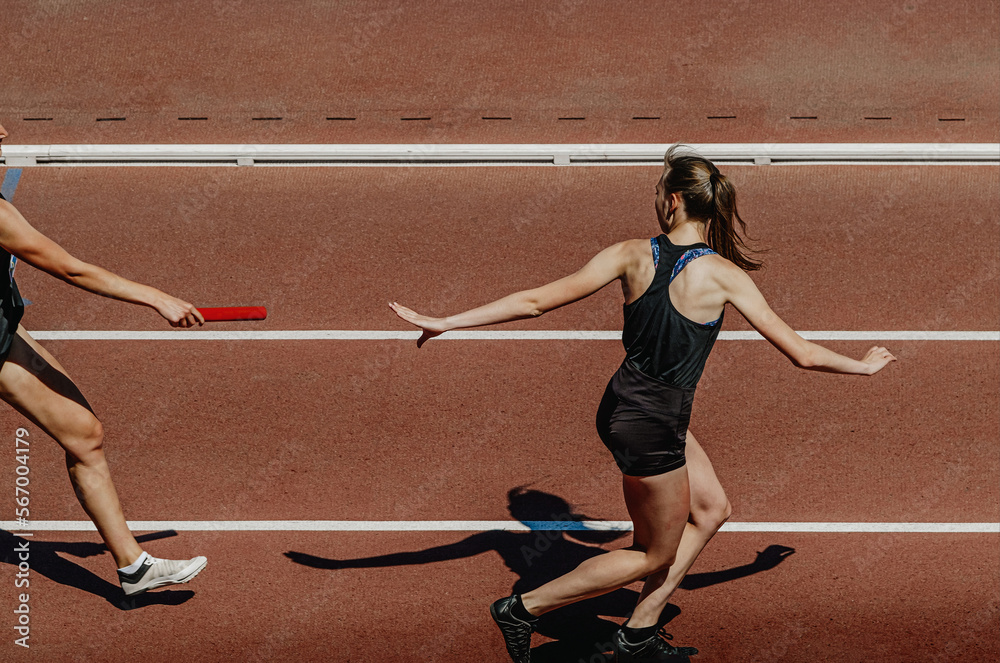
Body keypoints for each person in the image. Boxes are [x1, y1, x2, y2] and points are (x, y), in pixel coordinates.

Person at [390, 145, 897, 662]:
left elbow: (534, 302)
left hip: (632, 406)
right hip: (652, 423)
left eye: (658, 193)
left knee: (713, 508)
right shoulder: (723, 275)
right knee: (652, 552)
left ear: (674, 201)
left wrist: (449, 320)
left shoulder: (631, 253)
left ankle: (638, 630)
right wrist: (862, 365)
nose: (657, 201)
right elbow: (802, 355)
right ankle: (522, 609)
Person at [0, 123, 208, 597]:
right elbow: (70, 268)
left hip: (3, 334)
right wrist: (157, 297)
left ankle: (134, 566)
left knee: (84, 433)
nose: (4, 131)